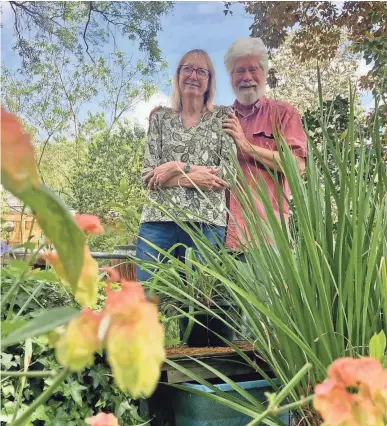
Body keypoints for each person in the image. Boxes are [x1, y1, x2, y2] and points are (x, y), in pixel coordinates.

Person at [136, 49, 236, 282]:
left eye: (201, 71)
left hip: (206, 224)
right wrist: (194, 176)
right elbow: (148, 177)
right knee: (149, 301)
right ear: (178, 75)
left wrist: (175, 167)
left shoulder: (223, 117)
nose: (193, 75)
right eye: (187, 69)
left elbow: (228, 175)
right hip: (158, 222)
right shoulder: (160, 118)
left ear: (209, 81)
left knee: (201, 304)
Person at [221, 38, 307, 250]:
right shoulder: (220, 117)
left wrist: (247, 147)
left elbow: (297, 166)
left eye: (253, 69)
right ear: (231, 77)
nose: (247, 77)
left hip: (268, 238)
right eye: (239, 71)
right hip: (221, 236)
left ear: (264, 73)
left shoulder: (283, 113)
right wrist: (167, 115)